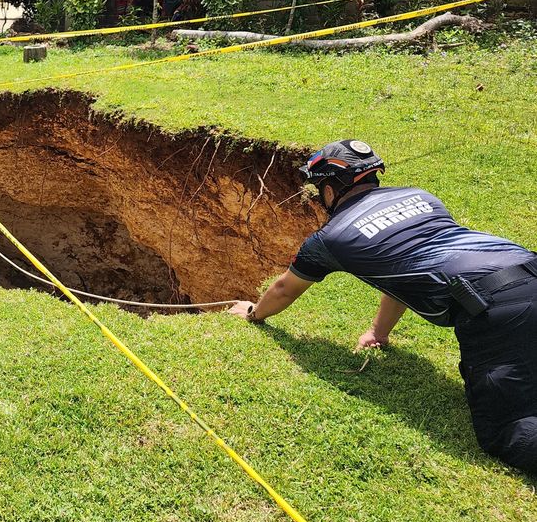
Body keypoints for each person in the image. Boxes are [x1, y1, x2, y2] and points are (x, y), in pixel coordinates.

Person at [228, 139, 537, 472]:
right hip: (526, 266)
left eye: (319, 189)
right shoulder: (421, 196)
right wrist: (378, 331)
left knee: (508, 430)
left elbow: (285, 288)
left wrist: (253, 313)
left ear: (330, 191)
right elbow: (401, 274)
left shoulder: (331, 238)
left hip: (494, 305)